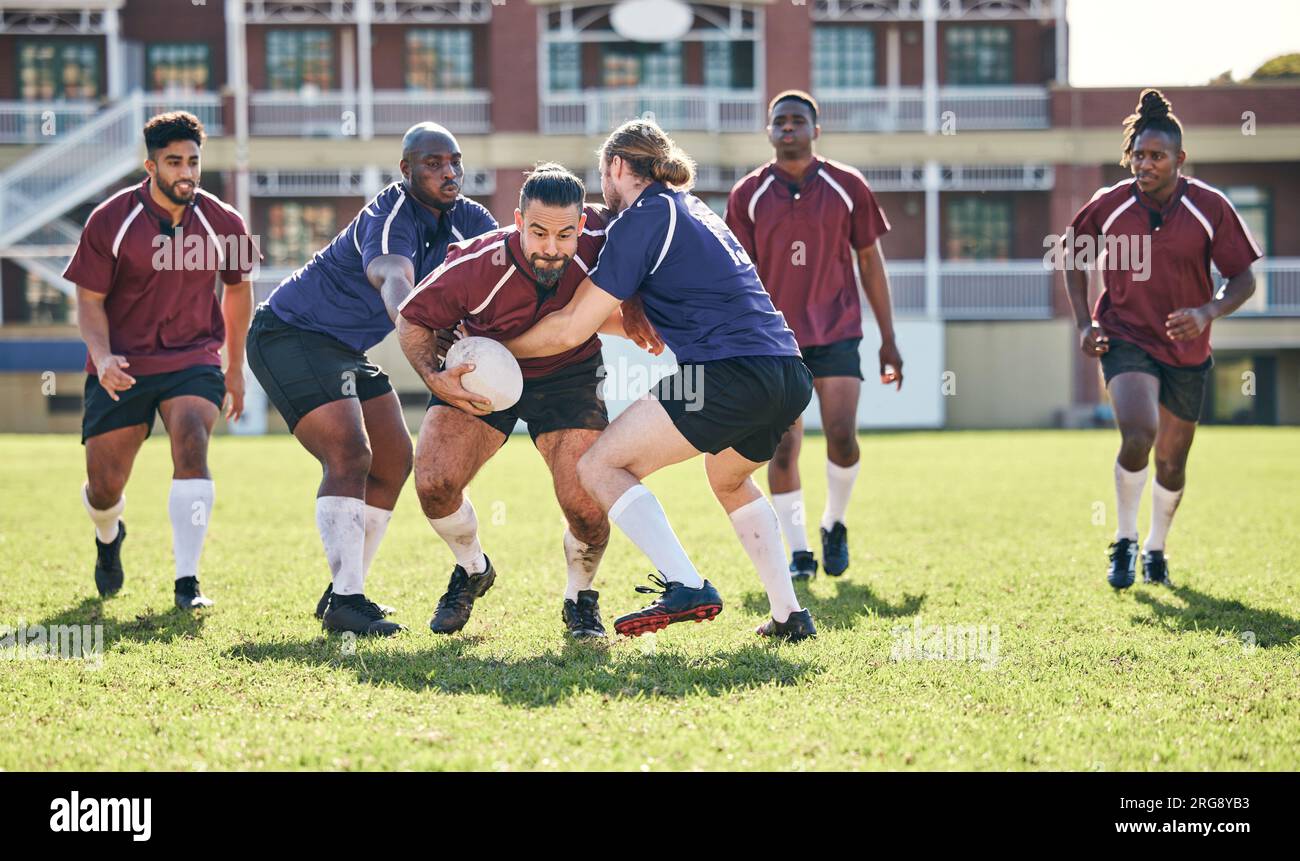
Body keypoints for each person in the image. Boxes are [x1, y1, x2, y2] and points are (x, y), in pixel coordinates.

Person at [503, 120, 818, 642]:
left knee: (600, 465)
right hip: (787, 373)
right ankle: (789, 615)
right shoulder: (691, 206)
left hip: (727, 373)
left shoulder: (643, 218)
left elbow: (571, 329)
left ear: (618, 167)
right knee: (730, 478)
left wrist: (497, 348)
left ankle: (687, 584)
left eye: (602, 174)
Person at [246, 123, 497, 635]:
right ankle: (347, 601)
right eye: (433, 163)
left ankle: (342, 591)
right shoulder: (391, 215)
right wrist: (428, 356)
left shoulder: (469, 217)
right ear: (406, 170)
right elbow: (394, 279)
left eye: (454, 161)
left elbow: (500, 270)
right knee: (351, 455)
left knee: (393, 461)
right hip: (289, 334)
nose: (448, 172)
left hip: (343, 349)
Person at [397, 163, 662, 638]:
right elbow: (413, 318)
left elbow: (650, 232)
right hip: (486, 370)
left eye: (564, 235)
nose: (551, 247)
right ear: (517, 222)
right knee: (434, 483)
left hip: (569, 375)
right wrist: (433, 378)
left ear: (581, 226)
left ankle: (579, 599)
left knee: (586, 506)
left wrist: (637, 300)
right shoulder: (475, 265)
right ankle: (472, 568)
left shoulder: (604, 237)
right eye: (537, 232)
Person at [1062, 89, 1260, 589]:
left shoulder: (1210, 207)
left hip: (1187, 349)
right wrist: (1085, 323)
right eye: (1138, 155)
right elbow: (1073, 258)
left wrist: (1208, 311)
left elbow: (1244, 280)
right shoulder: (1107, 205)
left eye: (1157, 156)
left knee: (1171, 463)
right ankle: (1125, 541)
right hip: (1125, 336)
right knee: (1138, 432)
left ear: (1180, 160)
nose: (1144, 164)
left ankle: (1156, 548)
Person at [67, 111, 255, 610]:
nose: (186, 172)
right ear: (150, 166)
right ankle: (108, 536)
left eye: (193, 161)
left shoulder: (224, 221)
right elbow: (88, 301)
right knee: (105, 487)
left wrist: (234, 366)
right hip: (121, 366)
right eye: (174, 162)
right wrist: (102, 356)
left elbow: (239, 289)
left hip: (193, 358)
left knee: (192, 443)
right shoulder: (110, 220)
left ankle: (187, 582)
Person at [727, 89, 901, 581]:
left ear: (815, 130)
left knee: (842, 436)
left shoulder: (848, 185)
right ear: (768, 130)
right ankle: (800, 550)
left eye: (797, 120)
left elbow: (870, 260)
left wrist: (888, 337)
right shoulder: (748, 194)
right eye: (779, 121)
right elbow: (737, 274)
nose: (788, 128)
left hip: (839, 331)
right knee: (783, 447)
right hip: (776, 341)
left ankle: (835, 523)